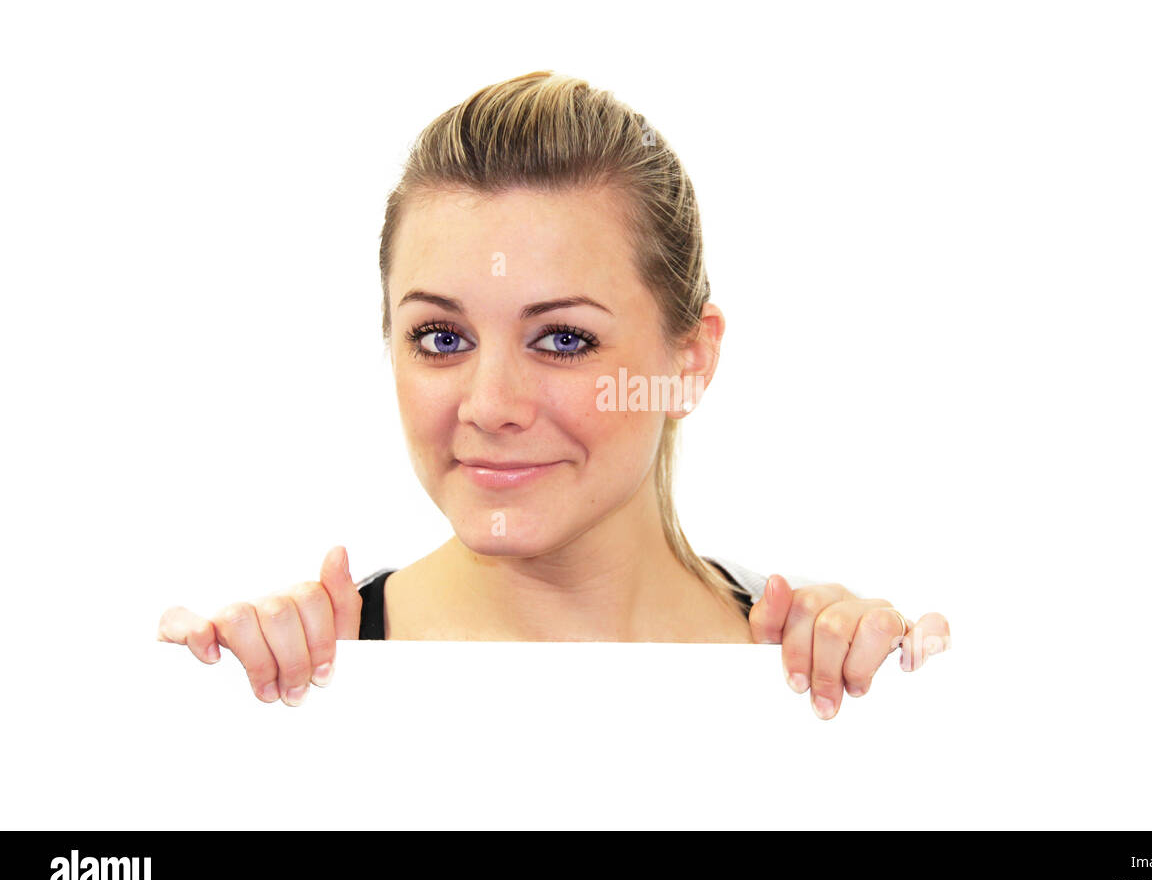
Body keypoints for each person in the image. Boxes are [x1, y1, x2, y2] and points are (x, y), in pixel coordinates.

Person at [157, 71, 951, 720]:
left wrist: (911, 719)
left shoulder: (834, 684)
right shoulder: (283, 682)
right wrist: (201, 719)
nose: (490, 405)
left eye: (563, 339)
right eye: (441, 337)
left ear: (691, 358)